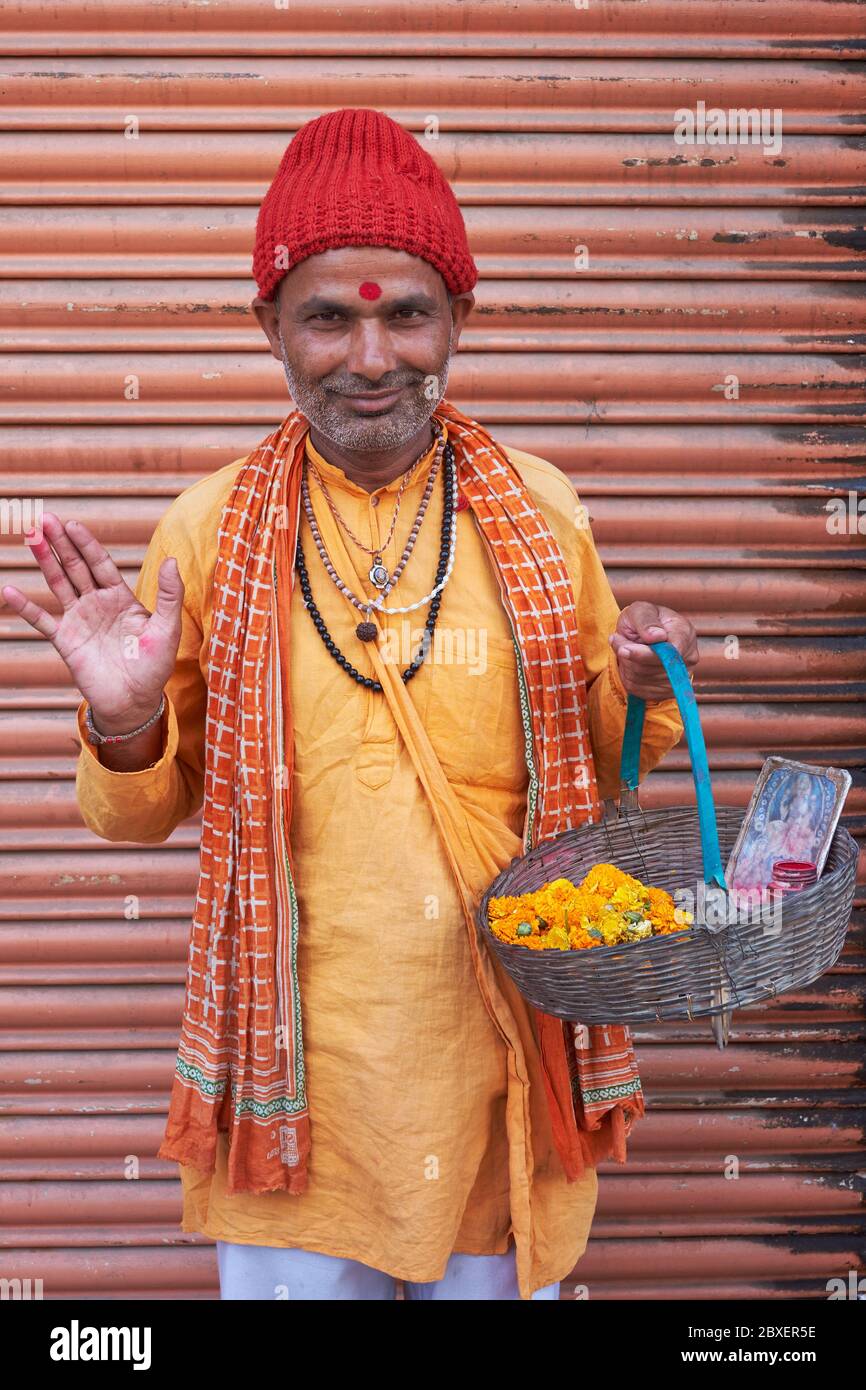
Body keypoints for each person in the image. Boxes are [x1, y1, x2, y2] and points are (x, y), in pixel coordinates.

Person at [2, 108, 699, 1301]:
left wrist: (639, 687)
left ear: (457, 321)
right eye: (329, 315)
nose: (370, 358)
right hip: (297, 1093)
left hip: (495, 1067)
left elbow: (598, 777)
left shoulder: (540, 514)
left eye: (404, 312)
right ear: (270, 325)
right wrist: (123, 719)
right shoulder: (209, 531)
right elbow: (133, 818)